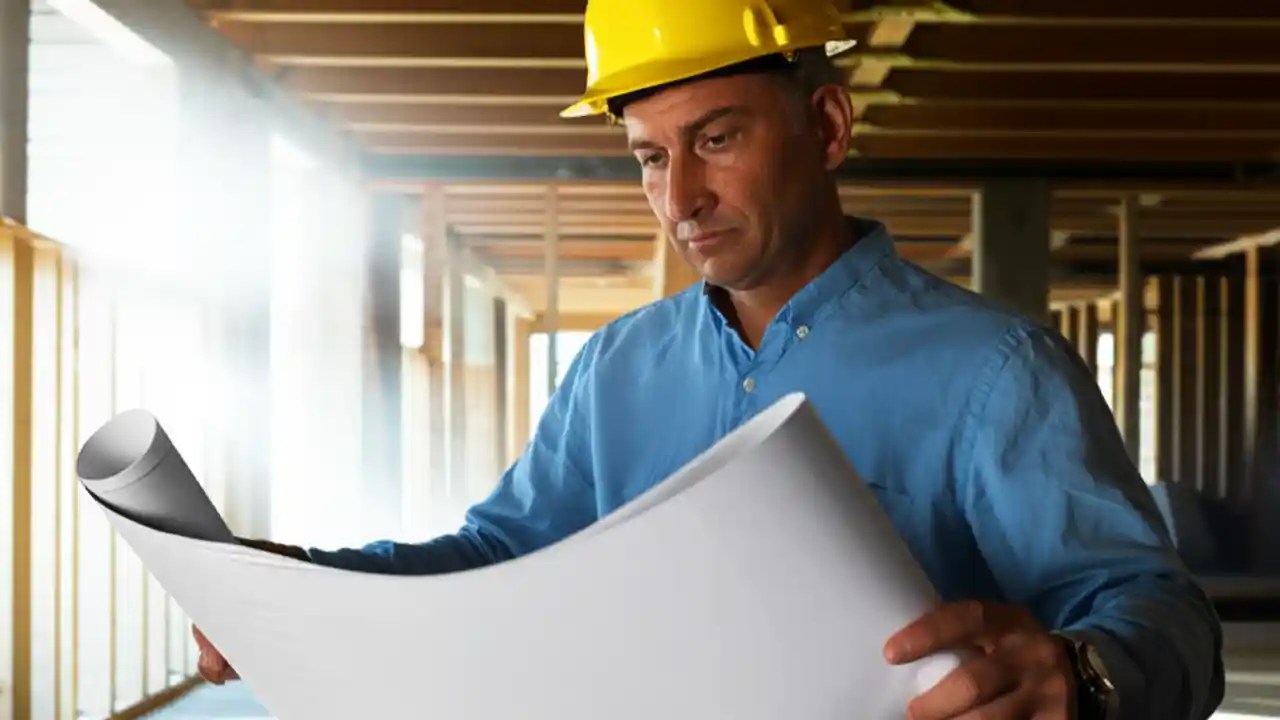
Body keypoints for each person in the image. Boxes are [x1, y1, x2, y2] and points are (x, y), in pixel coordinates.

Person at [195, 1, 1225, 717]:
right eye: (650, 154)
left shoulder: (994, 369)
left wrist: (1083, 676)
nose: (678, 197)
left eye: (717, 139)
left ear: (824, 125)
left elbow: (1161, 616)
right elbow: (501, 558)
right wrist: (306, 587)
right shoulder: (616, 369)